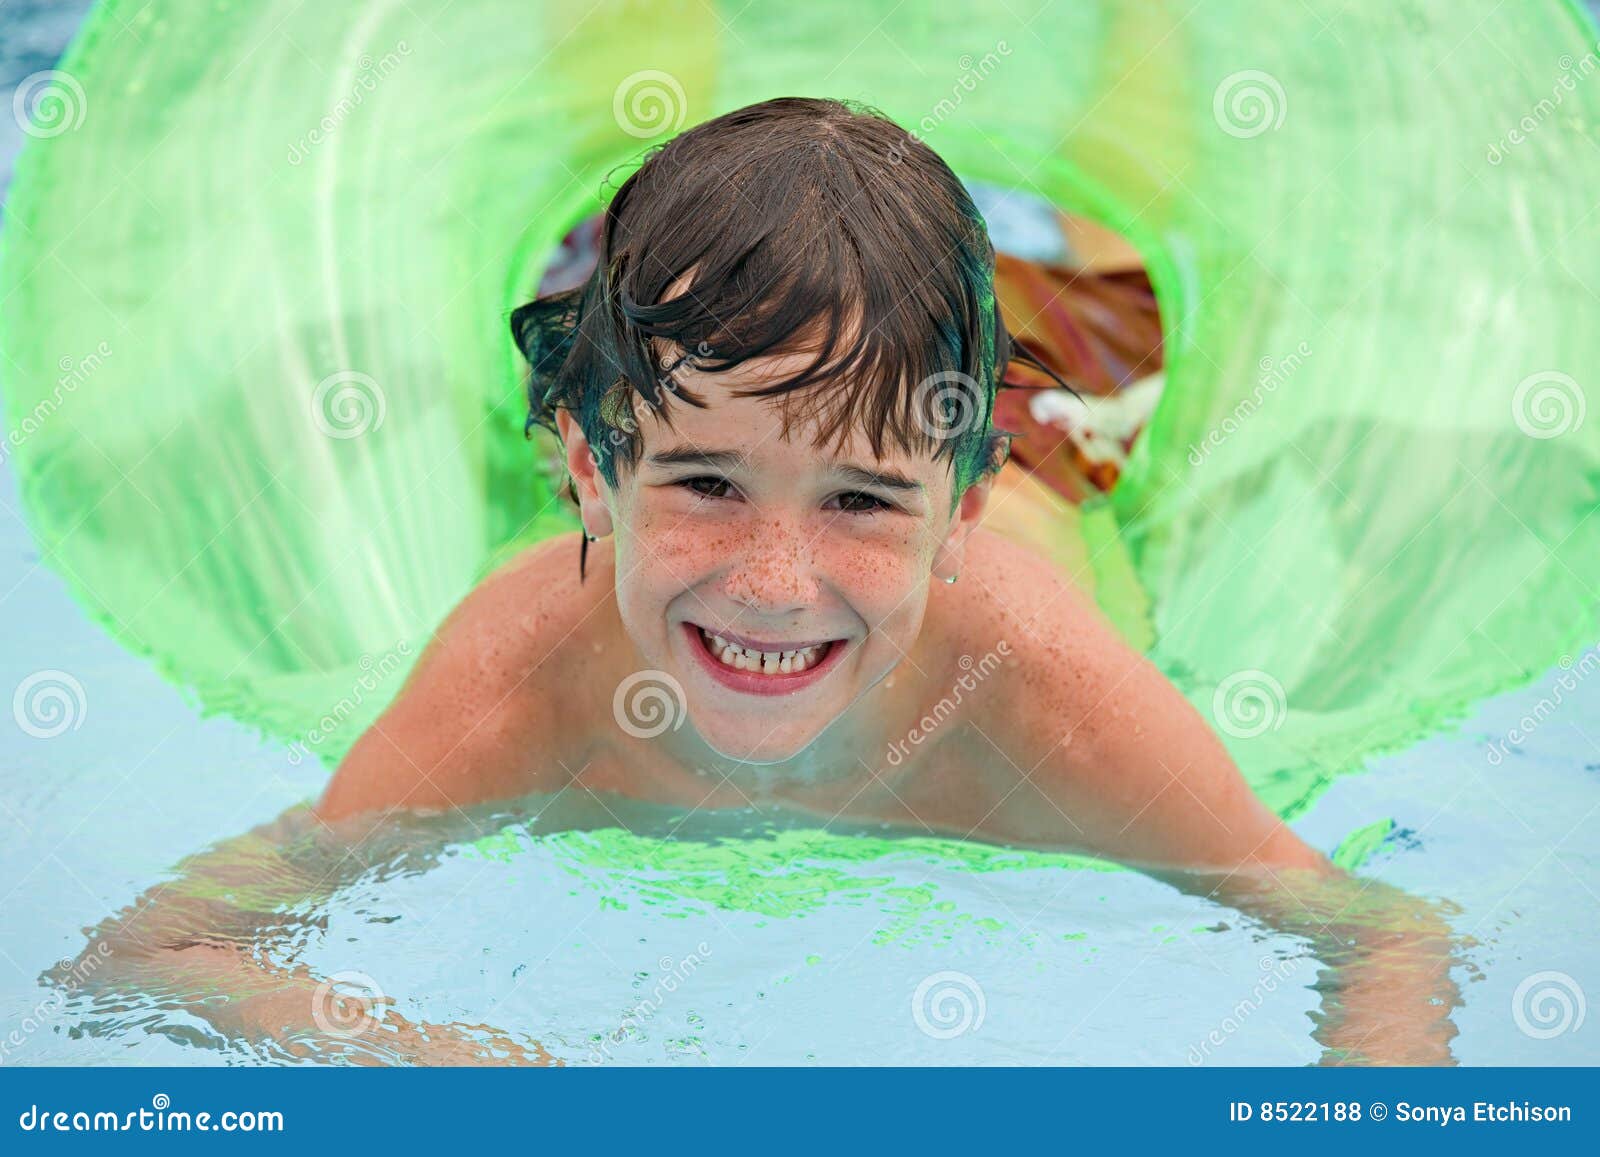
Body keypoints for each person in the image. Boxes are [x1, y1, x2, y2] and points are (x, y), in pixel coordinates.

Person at [67, 97, 1461, 1066]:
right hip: (719, 373)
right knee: (635, 328)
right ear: (593, 483)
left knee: (1090, 314)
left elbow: (1379, 937)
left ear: (958, 517)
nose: (777, 583)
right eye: (706, 486)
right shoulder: (523, 676)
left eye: (862, 506)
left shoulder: (1041, 696)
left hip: (1060, 421)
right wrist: (450, 1065)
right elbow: (149, 950)